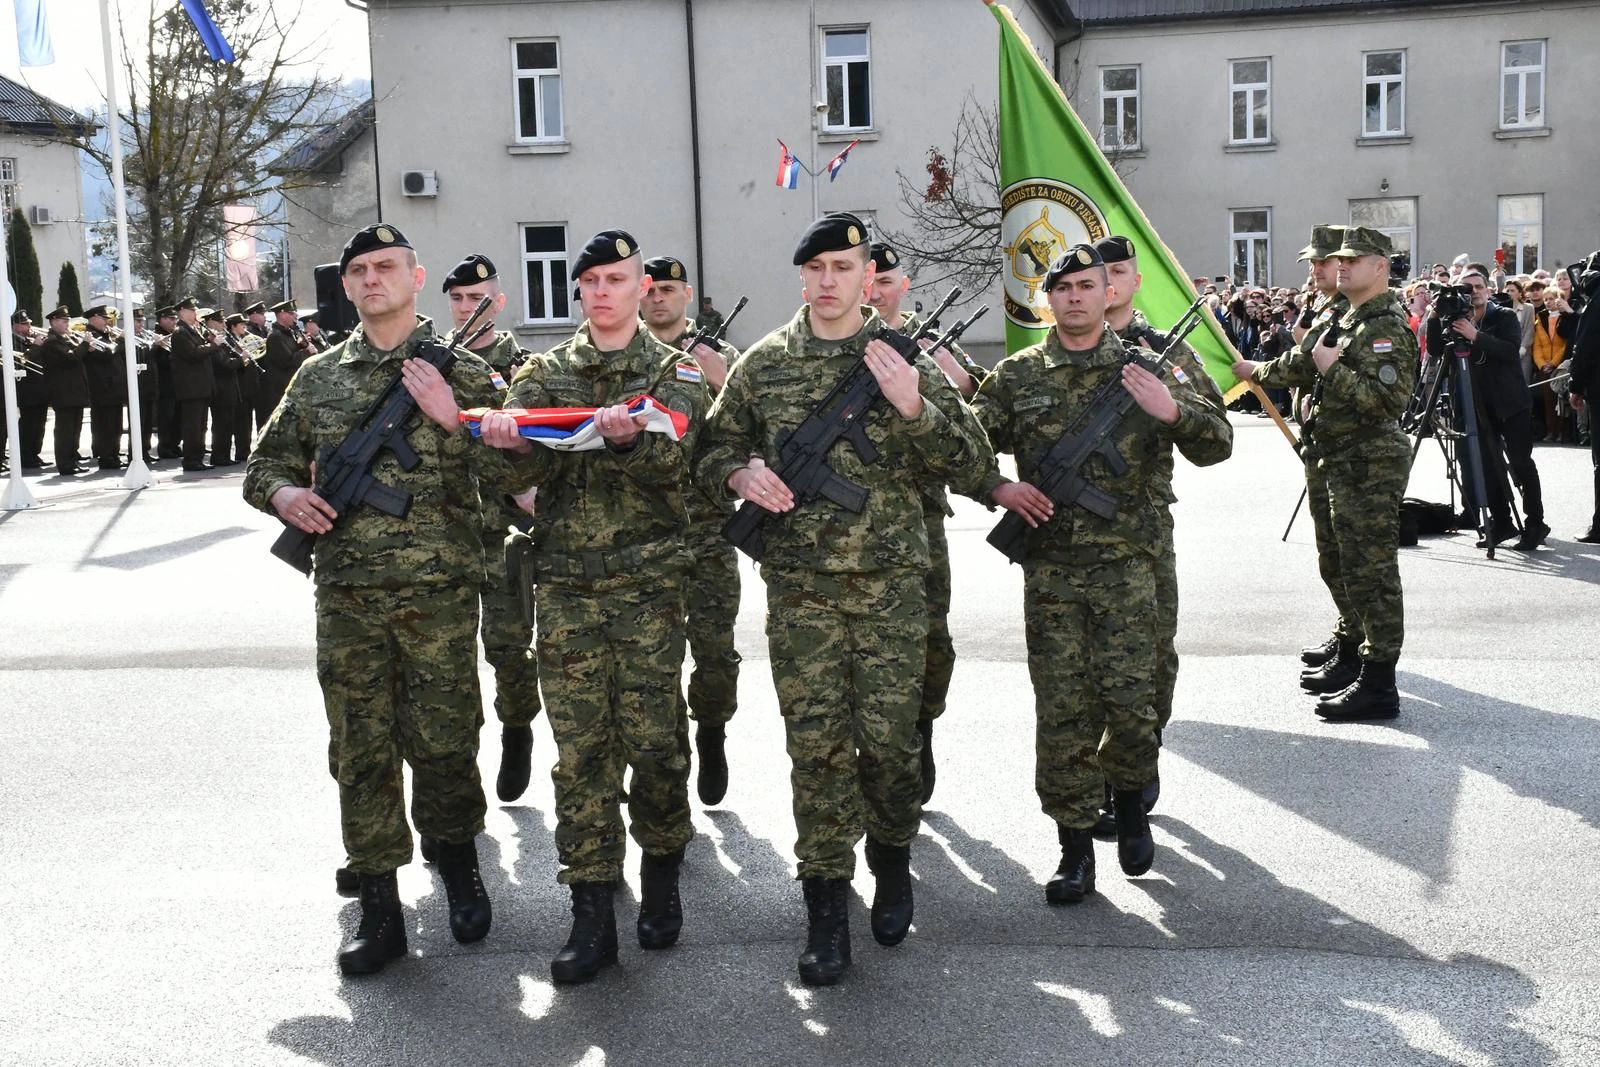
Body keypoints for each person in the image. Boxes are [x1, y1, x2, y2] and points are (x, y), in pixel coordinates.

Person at [694, 212, 993, 985]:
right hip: (802, 596)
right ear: (802, 276)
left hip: (893, 589)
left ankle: (891, 861)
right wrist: (738, 476)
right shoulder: (764, 364)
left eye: (844, 266)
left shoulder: (901, 359)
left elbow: (972, 461)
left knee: (891, 746)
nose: (829, 281)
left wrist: (915, 406)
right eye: (816, 267)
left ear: (870, 276)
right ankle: (826, 902)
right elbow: (715, 448)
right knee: (816, 751)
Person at [245, 222, 528, 975]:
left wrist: (451, 419)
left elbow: (516, 477)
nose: (374, 280)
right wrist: (284, 494)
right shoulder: (319, 376)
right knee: (360, 748)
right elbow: (263, 461)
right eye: (360, 270)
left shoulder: (465, 371)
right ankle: (377, 901)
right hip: (347, 596)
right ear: (347, 287)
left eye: (388, 267)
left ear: (415, 275)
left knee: (444, 736)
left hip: (438, 592)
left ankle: (460, 862)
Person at [475, 229, 710, 985]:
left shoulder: (673, 371)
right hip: (569, 587)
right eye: (592, 281)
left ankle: (664, 870)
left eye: (617, 279)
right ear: (579, 291)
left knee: (655, 741)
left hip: (647, 590)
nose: (604, 291)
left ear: (642, 287)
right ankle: (590, 909)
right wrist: (510, 444)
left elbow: (677, 458)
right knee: (580, 754)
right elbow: (503, 465)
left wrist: (626, 445)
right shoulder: (547, 373)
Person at [970, 243, 1229, 905]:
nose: (1077, 297)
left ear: (1107, 291)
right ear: (1046, 299)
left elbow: (1218, 442)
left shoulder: (1148, 366)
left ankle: (1133, 801)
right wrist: (998, 486)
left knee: (1135, 703)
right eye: (1064, 288)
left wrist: (1170, 409)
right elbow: (962, 445)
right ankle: (1074, 847)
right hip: (1053, 573)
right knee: (1063, 713)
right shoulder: (1019, 375)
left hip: (1132, 571)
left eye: (1089, 285)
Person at [1238, 226, 1416, 720]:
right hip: (1339, 455)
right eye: (1339, 259)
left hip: (1369, 461)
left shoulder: (1386, 328)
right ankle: (1359, 652)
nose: (1341, 266)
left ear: (1380, 266)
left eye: (1353, 259)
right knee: (1343, 564)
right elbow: (1304, 362)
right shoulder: (1352, 317)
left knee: (1372, 573)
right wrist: (1256, 371)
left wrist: (1332, 369)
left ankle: (1380, 681)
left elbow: (1388, 402)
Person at [1095, 234, 1228, 832]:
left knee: (1150, 659)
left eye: (1119, 271)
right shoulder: (1060, 350)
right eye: (1101, 273)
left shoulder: (1161, 350)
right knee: (1079, 669)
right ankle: (1097, 781)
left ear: (1134, 280)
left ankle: (1137, 761)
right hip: (1069, 537)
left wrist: (1168, 405)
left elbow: (1216, 435)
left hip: (1143, 531)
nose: (1110, 282)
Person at [864, 239, 980, 804]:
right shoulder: (838, 342)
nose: (875, 290)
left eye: (885, 282)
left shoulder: (926, 341)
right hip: (849, 524)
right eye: (869, 280)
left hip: (920, 517)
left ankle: (921, 728)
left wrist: (939, 363)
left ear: (901, 286)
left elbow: (973, 407)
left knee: (931, 638)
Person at [1235, 225, 1360, 693]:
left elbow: (1303, 362)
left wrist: (1258, 371)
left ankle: (1358, 647)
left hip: (1343, 446)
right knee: (1331, 552)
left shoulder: (1348, 310)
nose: (1315, 270)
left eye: (1321, 262)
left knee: (1347, 556)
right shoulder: (1326, 307)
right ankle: (1349, 633)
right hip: (1321, 439)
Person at [439, 252, 542, 804]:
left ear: (497, 305)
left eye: (474, 301)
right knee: (449, 658)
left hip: (505, 530)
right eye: (455, 300)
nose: (463, 311)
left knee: (507, 645)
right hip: (449, 530)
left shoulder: (523, 366)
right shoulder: (434, 363)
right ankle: (460, 767)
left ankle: (517, 728)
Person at [641, 254, 743, 805]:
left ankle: (712, 731)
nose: (658, 298)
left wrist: (718, 377)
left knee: (714, 650)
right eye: (651, 289)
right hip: (643, 529)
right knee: (651, 659)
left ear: (687, 295)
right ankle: (667, 764)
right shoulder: (627, 356)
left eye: (669, 289)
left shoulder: (719, 355)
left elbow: (755, 427)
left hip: (707, 529)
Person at [1426, 262, 1547, 551]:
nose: (1474, 293)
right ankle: (1502, 520)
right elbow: (1433, 349)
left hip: (1509, 401)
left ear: (1488, 290)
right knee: (1487, 465)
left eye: (1479, 287)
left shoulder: (1502, 315)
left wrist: (1474, 335)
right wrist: (1434, 314)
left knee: (1520, 463)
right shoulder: (1454, 319)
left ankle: (1535, 523)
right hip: (1474, 402)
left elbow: (1509, 351)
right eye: (1467, 288)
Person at [40, 305, 90, 475]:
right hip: (63, 393)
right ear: (53, 322)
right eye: (64, 321)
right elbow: (72, 358)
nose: (67, 324)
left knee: (75, 430)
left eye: (68, 320)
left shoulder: (66, 339)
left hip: (75, 392)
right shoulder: (51, 342)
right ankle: (65, 463)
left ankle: (72, 460)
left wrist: (84, 346)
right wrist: (84, 345)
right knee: (65, 431)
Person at [168, 298, 216, 472]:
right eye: (192, 310)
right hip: (191, 388)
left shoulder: (192, 331)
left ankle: (198, 458)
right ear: (183, 312)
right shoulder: (180, 332)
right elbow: (192, 354)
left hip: (200, 387)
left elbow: (198, 350)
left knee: (201, 425)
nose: (196, 314)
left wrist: (207, 340)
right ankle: (190, 459)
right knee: (192, 426)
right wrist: (212, 345)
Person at [81, 305, 125, 471]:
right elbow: (107, 355)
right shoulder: (90, 335)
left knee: (115, 424)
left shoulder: (104, 335)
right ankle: (106, 456)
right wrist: (120, 341)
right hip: (102, 387)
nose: (107, 322)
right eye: (104, 318)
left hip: (113, 387)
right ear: (93, 318)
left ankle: (113, 454)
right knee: (106, 425)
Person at [1531, 286, 1576, 442]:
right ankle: (1551, 431)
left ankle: (1565, 433)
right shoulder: (1540, 318)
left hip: (1560, 365)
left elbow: (1566, 345)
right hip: (1545, 366)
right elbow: (1537, 345)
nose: (1548, 302)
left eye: (1552, 298)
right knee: (1548, 402)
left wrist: (1554, 362)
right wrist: (1542, 363)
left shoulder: (1565, 318)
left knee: (1563, 400)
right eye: (1546, 299)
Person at [260, 300, 309, 430]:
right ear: (282, 315)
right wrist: (306, 352)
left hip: (288, 387)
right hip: (278, 390)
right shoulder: (275, 336)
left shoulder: (287, 333)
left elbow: (291, 352)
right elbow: (285, 361)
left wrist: (301, 345)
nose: (295, 317)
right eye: (292, 313)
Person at [10, 311, 49, 470]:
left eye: (29, 323)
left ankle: (34, 453)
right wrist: (35, 346)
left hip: (39, 389)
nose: (29, 327)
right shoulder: (11, 342)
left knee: (39, 425)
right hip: (26, 390)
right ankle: (25, 456)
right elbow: (21, 361)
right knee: (28, 425)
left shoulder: (28, 340)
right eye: (25, 324)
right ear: (16, 326)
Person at [207, 311, 244, 467]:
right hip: (221, 388)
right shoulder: (211, 340)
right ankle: (219, 456)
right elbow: (224, 364)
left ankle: (225, 455)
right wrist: (242, 359)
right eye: (219, 322)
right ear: (211, 323)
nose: (223, 325)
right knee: (221, 425)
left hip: (229, 387)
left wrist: (238, 352)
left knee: (228, 425)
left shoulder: (222, 339)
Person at [151, 306, 182, 459]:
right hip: (164, 383)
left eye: (175, 318)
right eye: (170, 319)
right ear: (161, 319)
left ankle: (174, 444)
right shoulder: (156, 336)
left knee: (177, 417)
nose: (173, 321)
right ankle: (164, 446)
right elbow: (158, 361)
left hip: (177, 382)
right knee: (166, 417)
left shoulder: (174, 335)